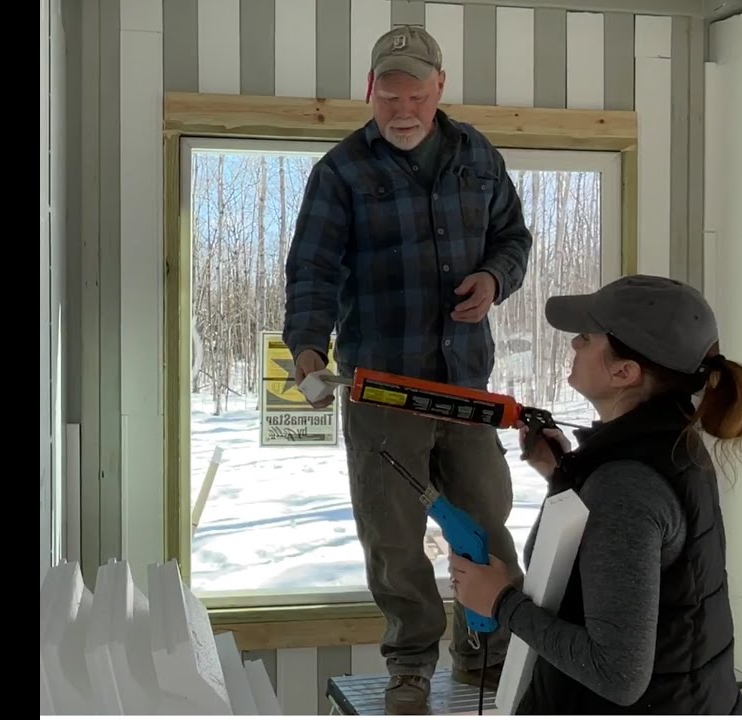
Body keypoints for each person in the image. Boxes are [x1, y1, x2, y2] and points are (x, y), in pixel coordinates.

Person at [283, 23, 534, 715]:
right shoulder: (340, 172)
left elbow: (514, 237)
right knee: (393, 537)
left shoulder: (478, 157)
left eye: (415, 95)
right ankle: (411, 664)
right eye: (388, 95)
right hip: (382, 392)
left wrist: (494, 277)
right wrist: (307, 346)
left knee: (485, 519)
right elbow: (312, 270)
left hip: (463, 386)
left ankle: (486, 654)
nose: (402, 111)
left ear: (439, 89)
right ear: (370, 90)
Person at [447, 274, 742, 715]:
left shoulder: (625, 485)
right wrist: (563, 477)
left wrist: (500, 602)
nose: (574, 345)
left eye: (587, 338)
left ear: (625, 372)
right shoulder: (672, 444)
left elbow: (618, 672)